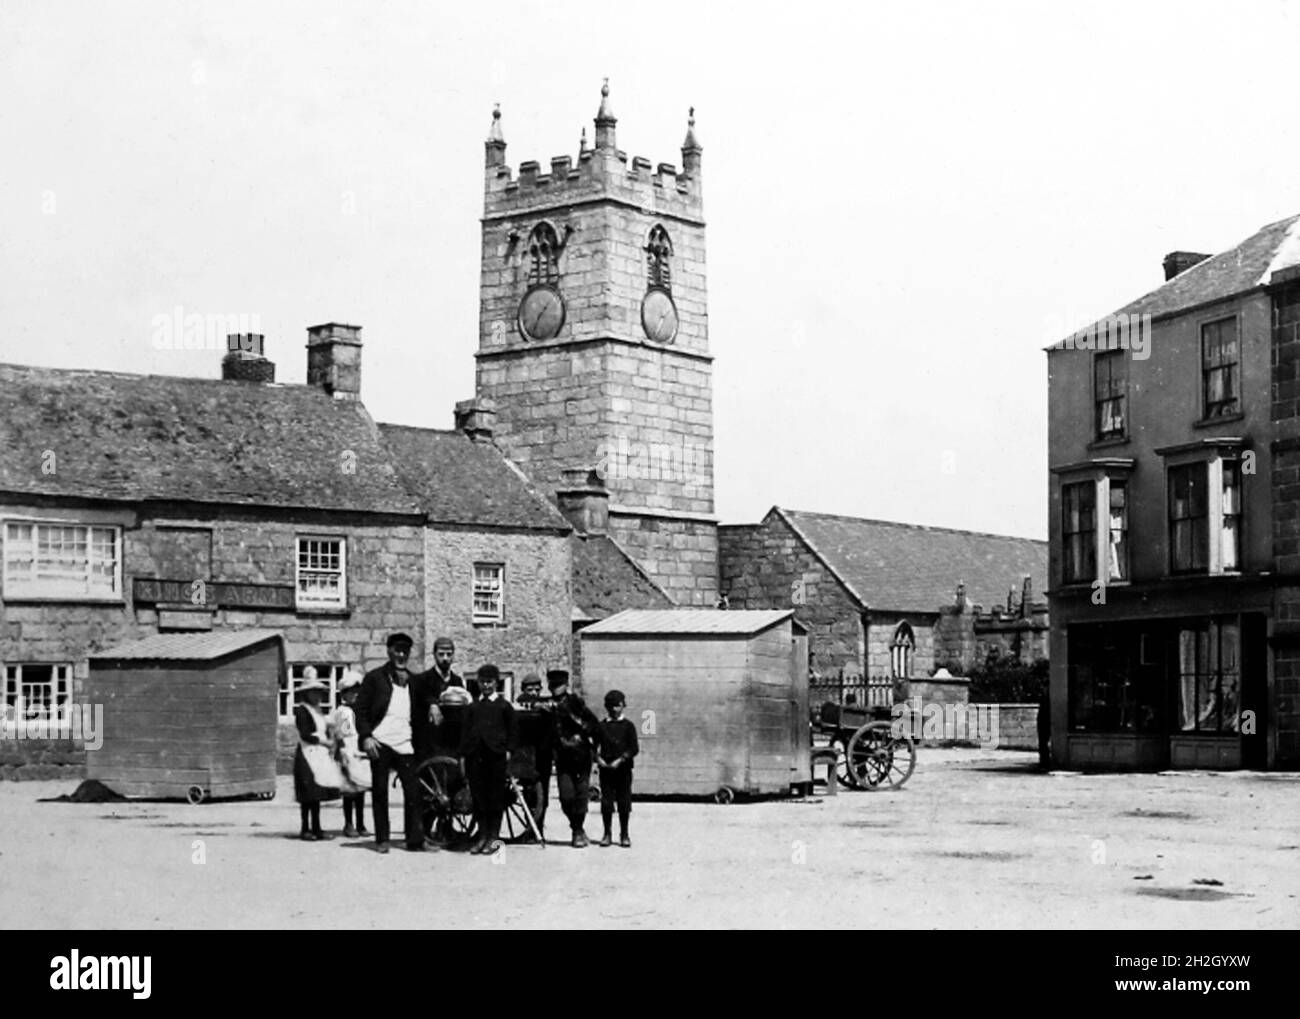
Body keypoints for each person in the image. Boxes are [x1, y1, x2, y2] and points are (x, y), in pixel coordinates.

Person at [355, 633, 434, 853]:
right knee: (380, 792)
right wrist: (366, 737)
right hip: (380, 742)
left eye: (405, 652)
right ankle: (382, 839)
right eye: (397, 651)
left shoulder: (414, 681)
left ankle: (415, 840)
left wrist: (434, 705)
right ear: (388, 651)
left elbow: (426, 697)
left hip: (405, 743)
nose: (401, 655)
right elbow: (359, 710)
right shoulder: (375, 678)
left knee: (414, 793)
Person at [459, 664, 518, 856]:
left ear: (496, 682)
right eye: (482, 682)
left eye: (490, 682)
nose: (486, 685)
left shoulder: (504, 706)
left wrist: (508, 750)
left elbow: (512, 732)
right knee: (479, 798)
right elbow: (465, 733)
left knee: (495, 798)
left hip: (495, 757)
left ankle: (493, 837)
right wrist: (463, 754)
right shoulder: (472, 707)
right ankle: (482, 836)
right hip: (475, 758)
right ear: (478, 683)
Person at [546, 669, 600, 848]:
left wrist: (582, 736)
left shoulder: (575, 702)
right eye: (552, 685)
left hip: (581, 756)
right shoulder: (548, 705)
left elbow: (593, 725)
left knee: (581, 795)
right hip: (562, 758)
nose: (555, 689)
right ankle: (577, 828)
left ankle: (577, 831)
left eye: (559, 685)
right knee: (566, 797)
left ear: (566, 685)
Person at [293, 670, 341, 841]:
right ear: (306, 693)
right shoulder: (302, 711)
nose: (317, 696)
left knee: (317, 794)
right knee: (307, 795)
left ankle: (317, 827)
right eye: (313, 692)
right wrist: (323, 741)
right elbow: (305, 734)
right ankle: (305, 829)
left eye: (318, 692)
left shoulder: (318, 711)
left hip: (319, 755)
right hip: (307, 754)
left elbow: (325, 727)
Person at [596, 689, 638, 848]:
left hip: (623, 770)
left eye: (618, 706)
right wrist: (598, 759)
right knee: (606, 803)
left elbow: (634, 748)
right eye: (611, 706)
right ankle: (607, 833)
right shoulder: (601, 726)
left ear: (623, 706)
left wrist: (621, 760)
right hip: (606, 770)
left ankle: (624, 834)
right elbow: (593, 746)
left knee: (624, 802)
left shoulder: (628, 726)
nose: (614, 710)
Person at [512, 673, 552, 839]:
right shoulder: (522, 702)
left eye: (537, 689)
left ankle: (538, 828)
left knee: (543, 795)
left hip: (543, 754)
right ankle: (530, 828)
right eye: (530, 689)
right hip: (524, 754)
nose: (534, 693)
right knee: (528, 793)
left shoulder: (545, 704)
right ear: (523, 689)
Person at [332, 669, 370, 838]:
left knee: (360, 789)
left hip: (359, 752)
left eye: (357, 692)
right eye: (351, 692)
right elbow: (343, 733)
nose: (355, 695)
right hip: (348, 750)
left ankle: (361, 823)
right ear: (343, 694)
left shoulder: (358, 711)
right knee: (349, 791)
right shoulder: (343, 712)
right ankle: (349, 823)